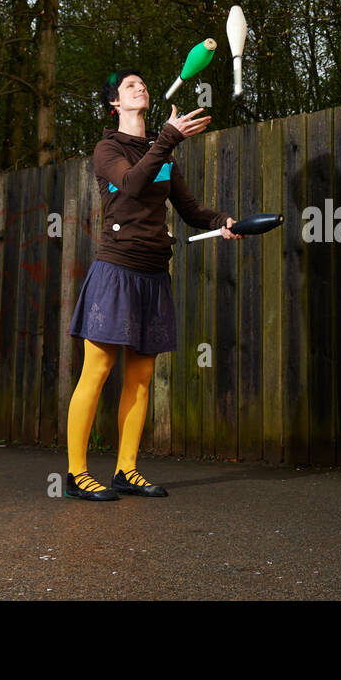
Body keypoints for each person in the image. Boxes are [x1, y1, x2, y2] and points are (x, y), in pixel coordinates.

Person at [63, 69, 241, 501]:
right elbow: (130, 183)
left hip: (154, 273)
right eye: (130, 86)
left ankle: (126, 470)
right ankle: (75, 475)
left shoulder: (163, 155)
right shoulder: (108, 149)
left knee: (140, 380)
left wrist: (224, 223)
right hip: (116, 271)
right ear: (114, 104)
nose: (140, 87)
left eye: (143, 83)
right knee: (98, 372)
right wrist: (167, 139)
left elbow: (191, 210)